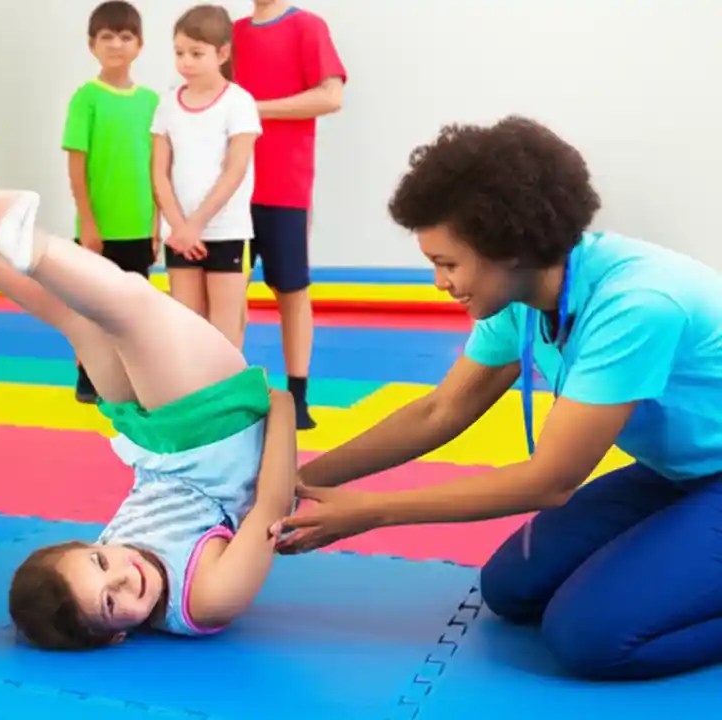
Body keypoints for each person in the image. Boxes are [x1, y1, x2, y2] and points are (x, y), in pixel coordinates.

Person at [272, 116, 722, 681]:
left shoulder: (637, 305)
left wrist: (372, 511)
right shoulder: (521, 294)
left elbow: (549, 482)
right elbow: (443, 410)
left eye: (447, 263)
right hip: (678, 473)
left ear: (508, 249)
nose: (439, 282)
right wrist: (298, 479)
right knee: (511, 588)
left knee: (589, 638)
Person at [0, 184, 298, 649]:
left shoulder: (116, 544)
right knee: (131, 308)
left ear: (91, 546)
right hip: (217, 431)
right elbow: (270, 509)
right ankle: (22, 240)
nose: (125, 578)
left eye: (101, 564)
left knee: (83, 323)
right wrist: (281, 408)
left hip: (150, 440)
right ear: (116, 635)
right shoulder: (205, 598)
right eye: (110, 602)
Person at [232, 0, 346, 429]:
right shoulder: (231, 32)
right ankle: (228, 393)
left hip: (284, 186)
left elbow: (330, 95)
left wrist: (254, 109)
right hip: (229, 189)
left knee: (292, 291)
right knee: (227, 295)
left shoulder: (307, 27)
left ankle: (298, 398)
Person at [62, 0, 161, 404]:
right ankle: (88, 375)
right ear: (92, 45)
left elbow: (158, 170)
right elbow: (76, 166)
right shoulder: (86, 98)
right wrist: (87, 222)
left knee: (133, 311)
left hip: (139, 226)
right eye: (107, 37)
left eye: (125, 37)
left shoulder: (151, 102)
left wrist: (156, 226)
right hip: (98, 228)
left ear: (139, 45)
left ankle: (130, 377)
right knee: (91, 310)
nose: (116, 44)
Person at [152, 5, 262, 350]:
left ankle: (227, 399)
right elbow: (159, 172)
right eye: (179, 53)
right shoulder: (168, 104)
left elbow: (235, 169)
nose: (186, 61)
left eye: (196, 54)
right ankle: (192, 398)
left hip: (225, 230)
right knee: (186, 322)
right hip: (181, 234)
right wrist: (178, 226)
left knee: (224, 328)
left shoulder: (239, 103)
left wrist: (196, 224)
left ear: (222, 53)